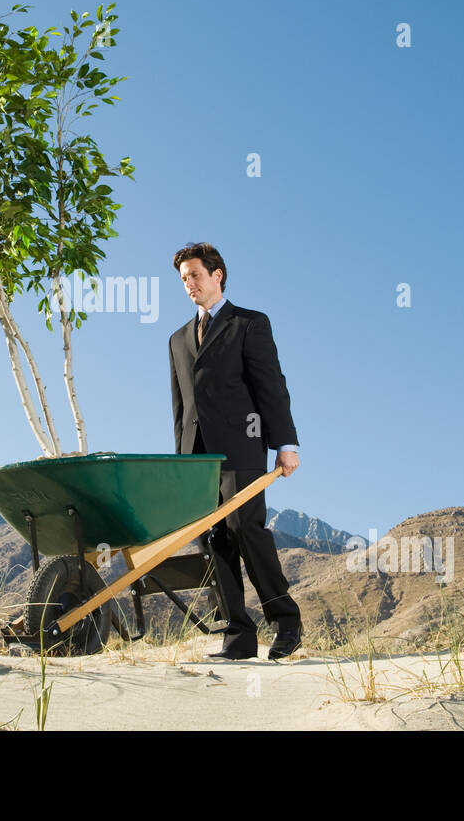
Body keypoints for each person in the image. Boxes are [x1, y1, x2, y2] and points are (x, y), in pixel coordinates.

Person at [168, 242, 303, 661]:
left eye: (195, 274)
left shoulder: (249, 324)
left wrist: (285, 442)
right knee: (214, 541)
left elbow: (270, 386)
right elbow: (180, 405)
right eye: (184, 278)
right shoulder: (176, 340)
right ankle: (238, 637)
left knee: (246, 528)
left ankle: (286, 622)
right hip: (198, 457)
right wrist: (182, 464)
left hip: (242, 444)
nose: (189, 283)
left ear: (217, 274)